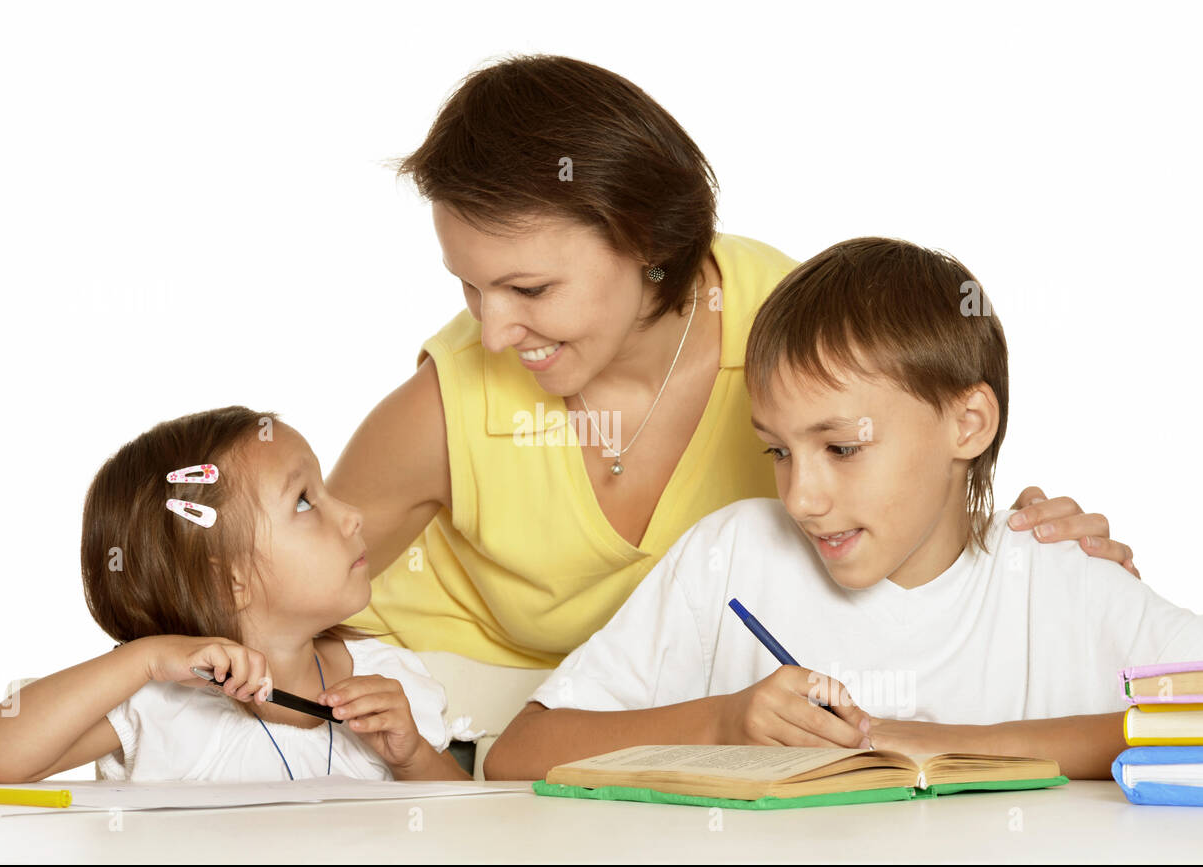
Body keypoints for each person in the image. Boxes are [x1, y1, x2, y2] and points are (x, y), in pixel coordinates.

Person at [324, 54, 1135, 670]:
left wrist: (1041, 559)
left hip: (670, 734)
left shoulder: (799, 335)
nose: (493, 330)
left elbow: (921, 496)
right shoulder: (452, 400)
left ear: (647, 241)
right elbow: (281, 584)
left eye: (529, 287)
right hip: (449, 720)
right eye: (469, 287)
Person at [484, 237, 1203, 781]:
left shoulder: (1059, 578)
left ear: (968, 424)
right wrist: (722, 723)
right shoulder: (732, 557)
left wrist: (930, 743)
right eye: (777, 451)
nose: (801, 497)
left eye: (840, 448)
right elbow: (518, 754)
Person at [0, 407, 469, 783]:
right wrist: (146, 660)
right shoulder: (161, 703)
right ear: (230, 579)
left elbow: (473, 833)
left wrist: (413, 758)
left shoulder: (389, 680)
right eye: (303, 501)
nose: (351, 515)